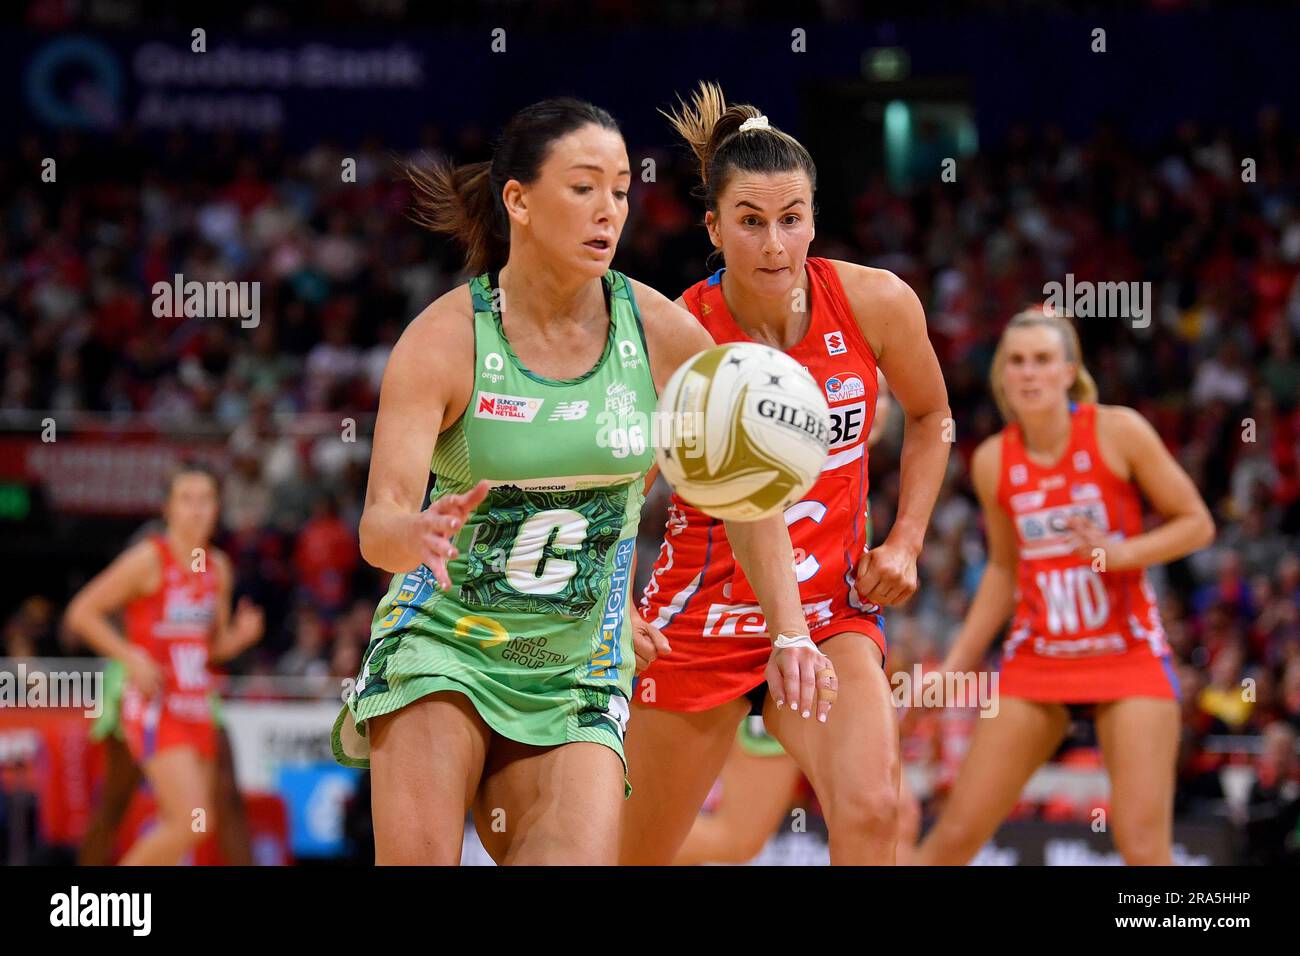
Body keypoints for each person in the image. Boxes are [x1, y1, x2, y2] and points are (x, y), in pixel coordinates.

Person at [330, 97, 818, 866]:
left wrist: (791, 632)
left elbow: (746, 496)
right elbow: (378, 526)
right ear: (518, 200)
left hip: (577, 671)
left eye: (621, 190)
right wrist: (416, 532)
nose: (609, 211)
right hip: (444, 645)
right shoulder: (446, 339)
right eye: (584, 187)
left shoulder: (658, 333)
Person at [621, 84, 951, 866]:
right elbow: (625, 483)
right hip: (699, 620)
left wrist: (905, 542)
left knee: (873, 809)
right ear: (713, 226)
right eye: (751, 221)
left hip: (831, 611)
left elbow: (934, 417)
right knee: (634, 854)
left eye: (791, 219)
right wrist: (613, 603)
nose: (775, 243)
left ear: (812, 219)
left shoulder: (875, 302)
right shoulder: (678, 330)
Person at [914, 307, 1215, 865]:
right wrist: (957, 661)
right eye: (1018, 362)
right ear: (1002, 375)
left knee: (1143, 847)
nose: (1029, 373)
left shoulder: (1118, 430)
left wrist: (1122, 552)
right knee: (954, 835)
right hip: (1039, 659)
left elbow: (1197, 522)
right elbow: (1004, 570)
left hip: (1127, 654)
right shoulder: (992, 459)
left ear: (1069, 371)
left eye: (1043, 361)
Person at [66, 462, 264, 865]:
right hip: (154, 700)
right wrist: (129, 655)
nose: (196, 509)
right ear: (168, 509)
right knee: (187, 819)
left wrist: (240, 638)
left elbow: (209, 647)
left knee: (193, 825)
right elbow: (81, 612)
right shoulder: (148, 559)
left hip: (195, 703)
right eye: (186, 499)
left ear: (218, 507)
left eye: (205, 499)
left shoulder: (219, 568)